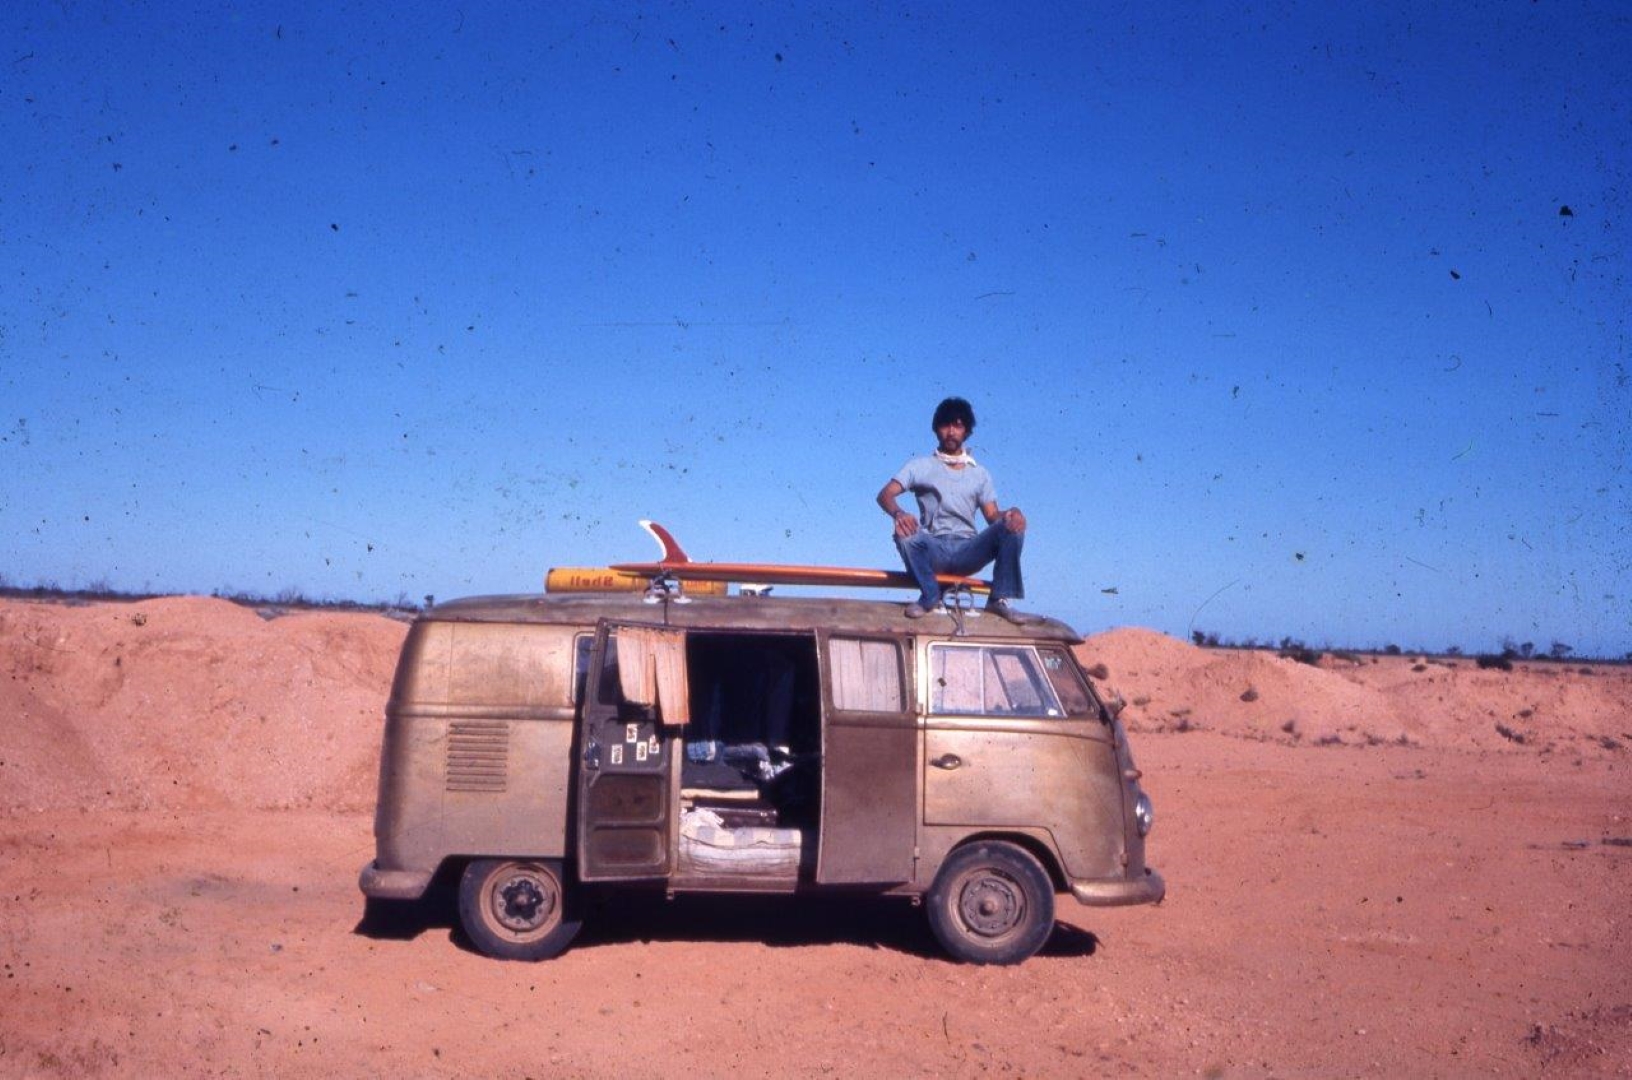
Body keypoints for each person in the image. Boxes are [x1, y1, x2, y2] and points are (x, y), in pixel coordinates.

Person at [875, 396, 1035, 623]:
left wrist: (1012, 513)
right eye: (945, 425)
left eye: (958, 425)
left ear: (967, 430)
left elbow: (992, 516)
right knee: (904, 532)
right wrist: (899, 514)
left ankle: (999, 599)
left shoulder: (979, 473)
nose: (951, 431)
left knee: (1012, 526)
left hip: (969, 550)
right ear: (936, 429)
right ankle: (930, 596)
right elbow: (885, 495)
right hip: (933, 548)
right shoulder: (920, 466)